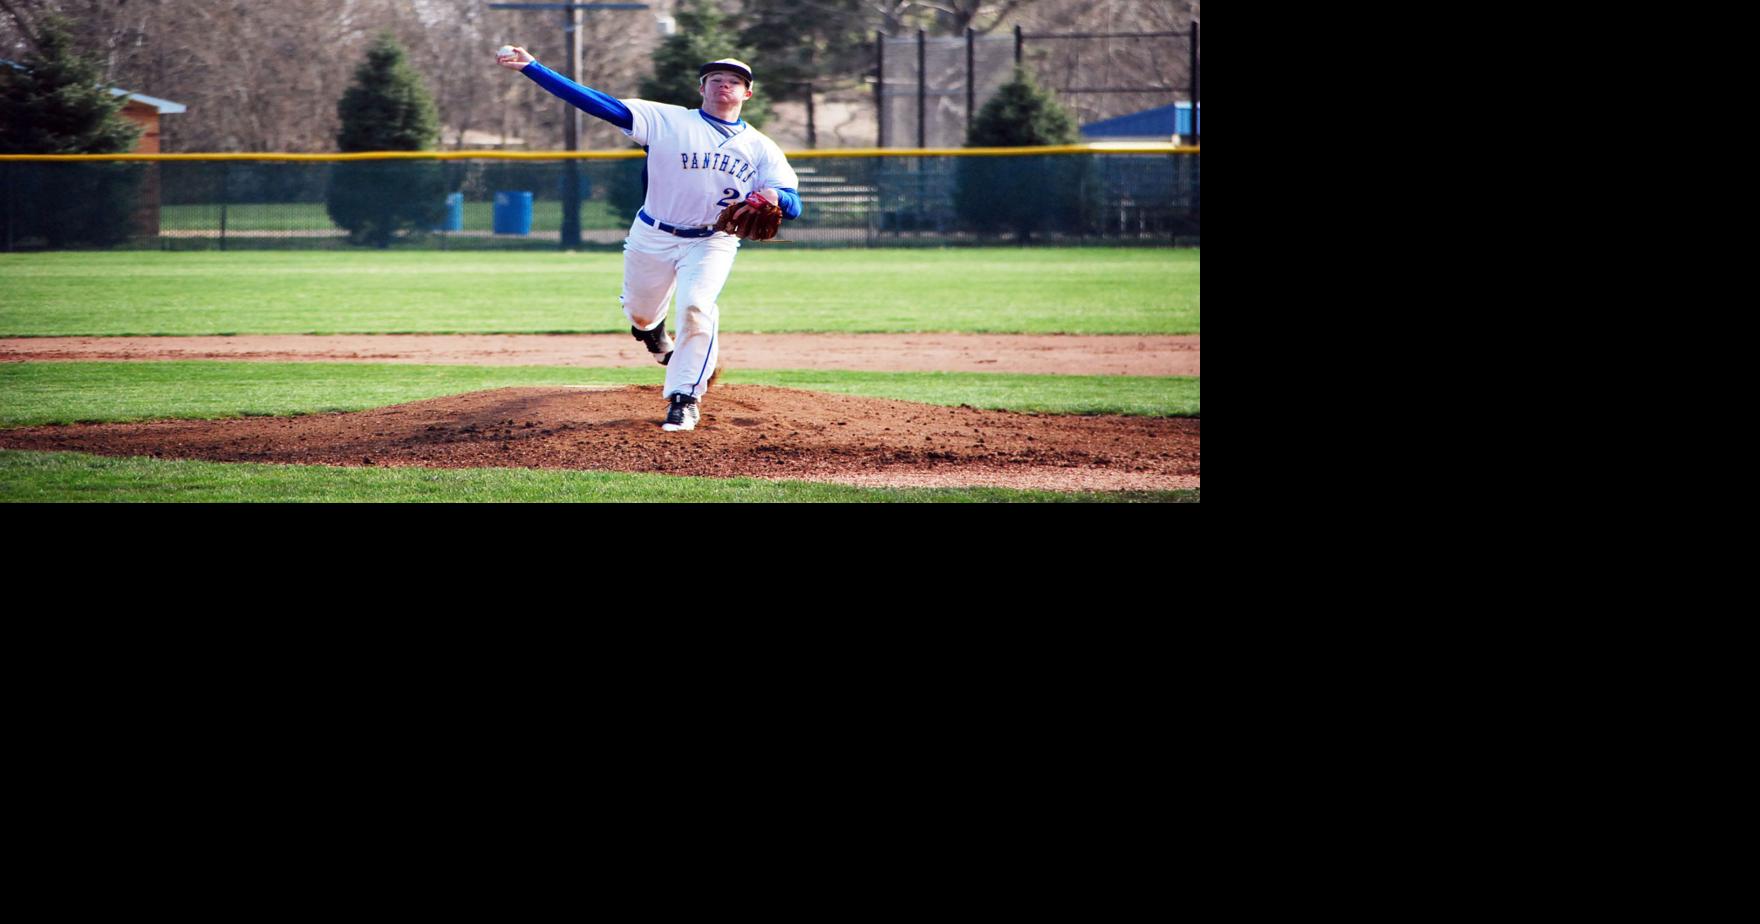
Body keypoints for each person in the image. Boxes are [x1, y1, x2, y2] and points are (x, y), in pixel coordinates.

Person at [495, 47, 802, 432]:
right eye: (716, 80)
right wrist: (534, 69)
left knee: (697, 307)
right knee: (640, 312)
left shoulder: (762, 148)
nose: (724, 85)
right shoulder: (666, 120)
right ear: (702, 88)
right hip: (653, 233)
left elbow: (793, 203)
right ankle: (653, 335)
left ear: (747, 93)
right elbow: (598, 104)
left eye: (734, 82)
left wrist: (776, 197)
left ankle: (685, 398)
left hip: (712, 240)